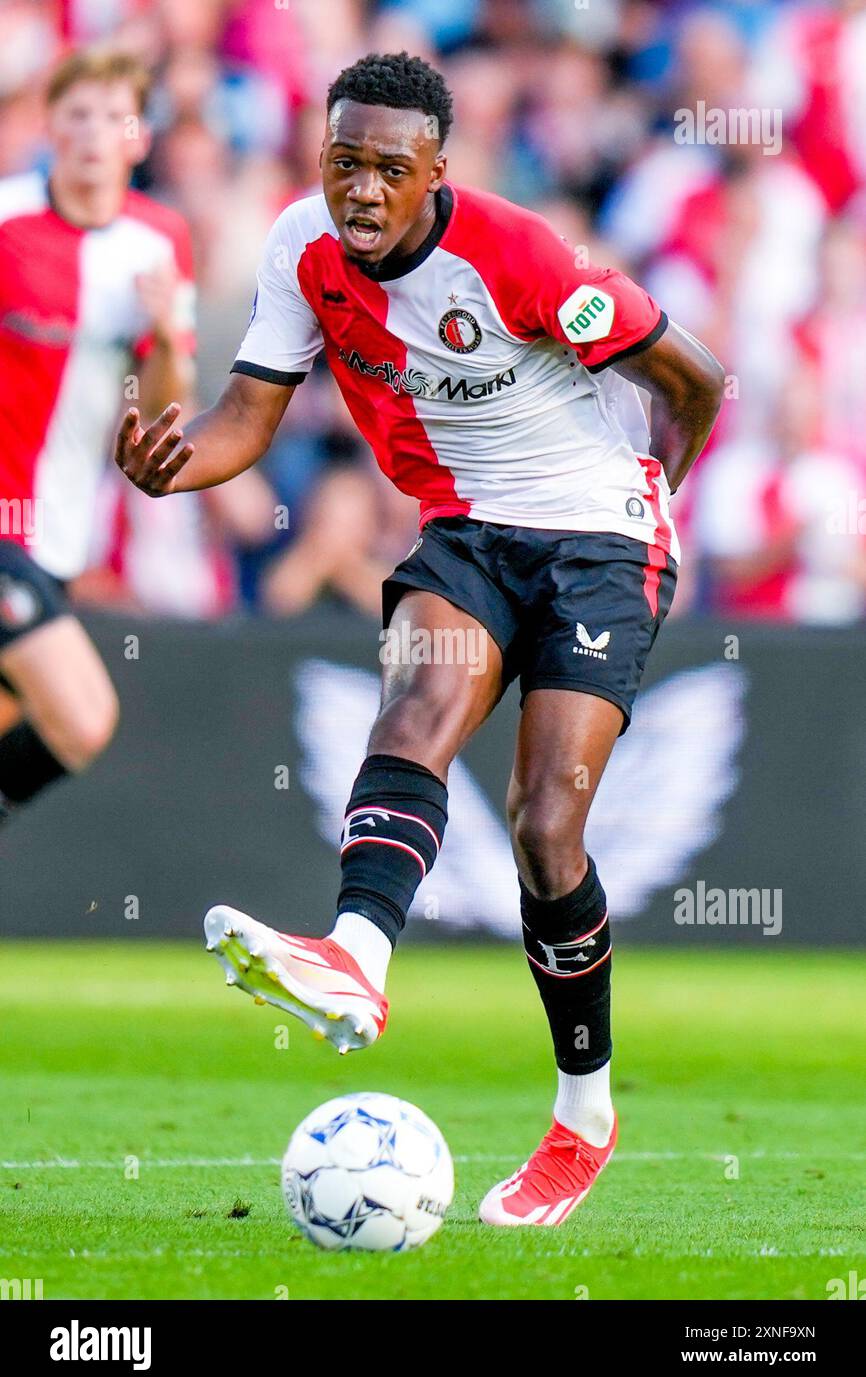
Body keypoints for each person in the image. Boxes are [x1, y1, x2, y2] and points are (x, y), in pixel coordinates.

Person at [115, 52, 724, 1227]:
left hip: (598, 535)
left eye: (388, 169)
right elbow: (248, 415)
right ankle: (354, 956)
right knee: (413, 707)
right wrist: (176, 463)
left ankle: (582, 1115)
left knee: (547, 828)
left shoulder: (521, 257)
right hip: (463, 528)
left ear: (435, 171)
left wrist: (654, 498)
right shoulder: (302, 249)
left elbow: (692, 380)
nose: (360, 189)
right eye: (342, 160)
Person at [0, 48, 195, 824]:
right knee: (82, 717)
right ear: (50, 125)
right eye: (75, 114)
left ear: (138, 137)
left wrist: (168, 336)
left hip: (61, 539)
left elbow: (162, 408)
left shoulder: (160, 242)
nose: (91, 134)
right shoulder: (6, 217)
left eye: (111, 117)